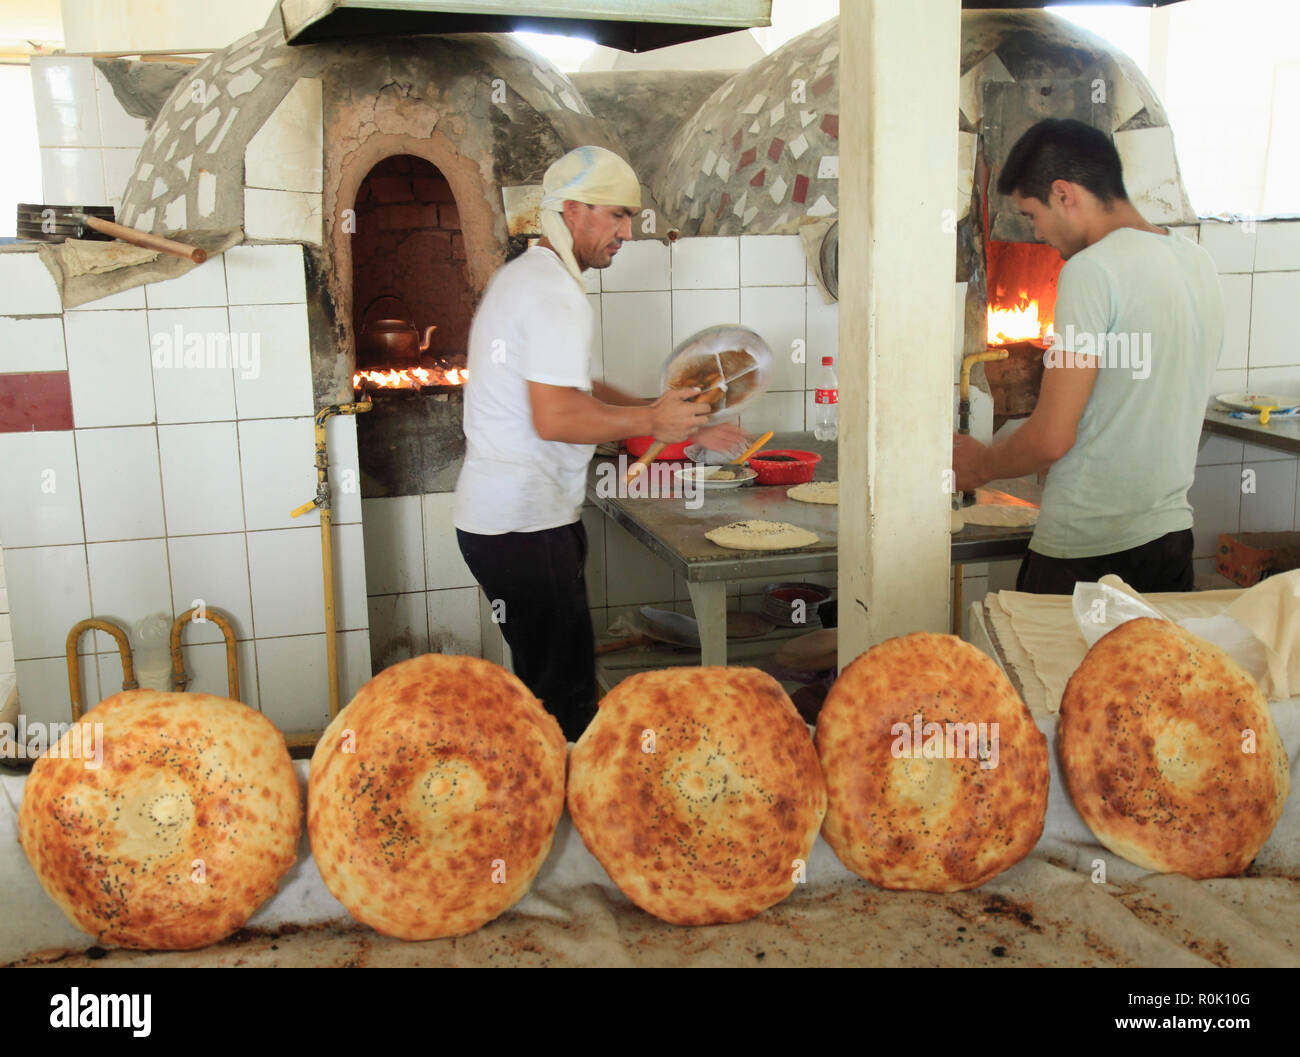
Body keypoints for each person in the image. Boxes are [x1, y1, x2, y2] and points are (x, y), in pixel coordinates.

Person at [452, 145, 743, 741]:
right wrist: (650, 424)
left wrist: (672, 418)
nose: (628, 233)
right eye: (616, 216)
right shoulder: (552, 293)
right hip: (522, 526)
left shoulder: (534, 276)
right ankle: (570, 823)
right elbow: (556, 417)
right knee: (567, 707)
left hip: (508, 523)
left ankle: (548, 807)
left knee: (550, 692)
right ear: (573, 210)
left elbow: (576, 390)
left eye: (629, 219)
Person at [952, 118, 1224, 595]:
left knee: (1046, 671)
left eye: (1033, 215)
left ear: (1064, 194)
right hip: (1170, 540)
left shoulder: (1092, 270)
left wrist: (982, 464)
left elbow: (1053, 437)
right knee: (1147, 672)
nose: (1038, 234)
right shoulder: (1197, 262)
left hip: (1086, 551)